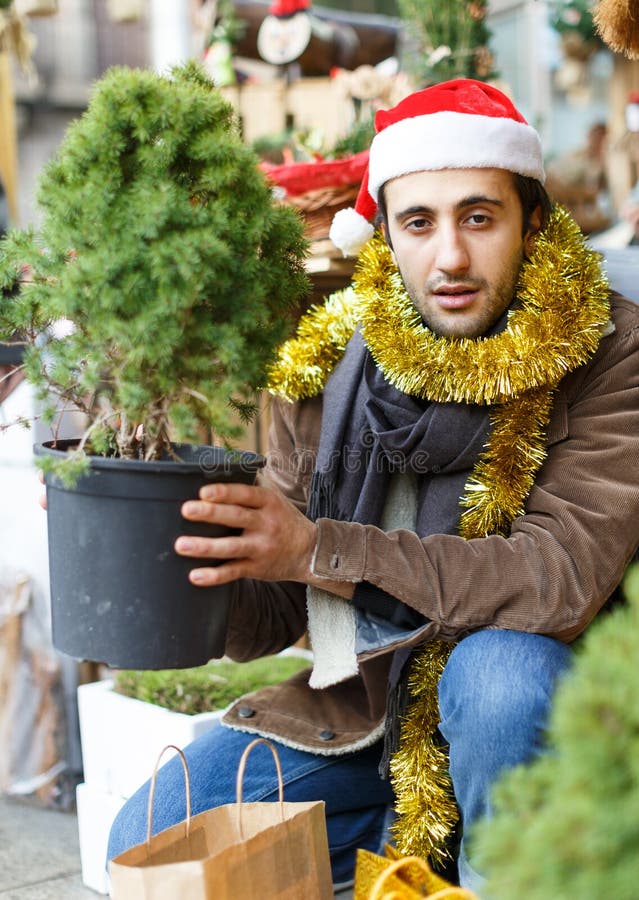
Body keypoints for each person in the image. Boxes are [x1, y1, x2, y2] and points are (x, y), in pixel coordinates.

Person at [107, 79, 639, 893]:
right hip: (365, 716)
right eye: (419, 223)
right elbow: (285, 605)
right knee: (150, 835)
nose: (450, 257)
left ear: (531, 224)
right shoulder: (327, 366)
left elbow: (553, 581)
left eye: (478, 217)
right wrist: (184, 554)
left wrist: (319, 546)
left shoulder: (609, 350)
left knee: (498, 677)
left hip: (542, 718)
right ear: (385, 236)